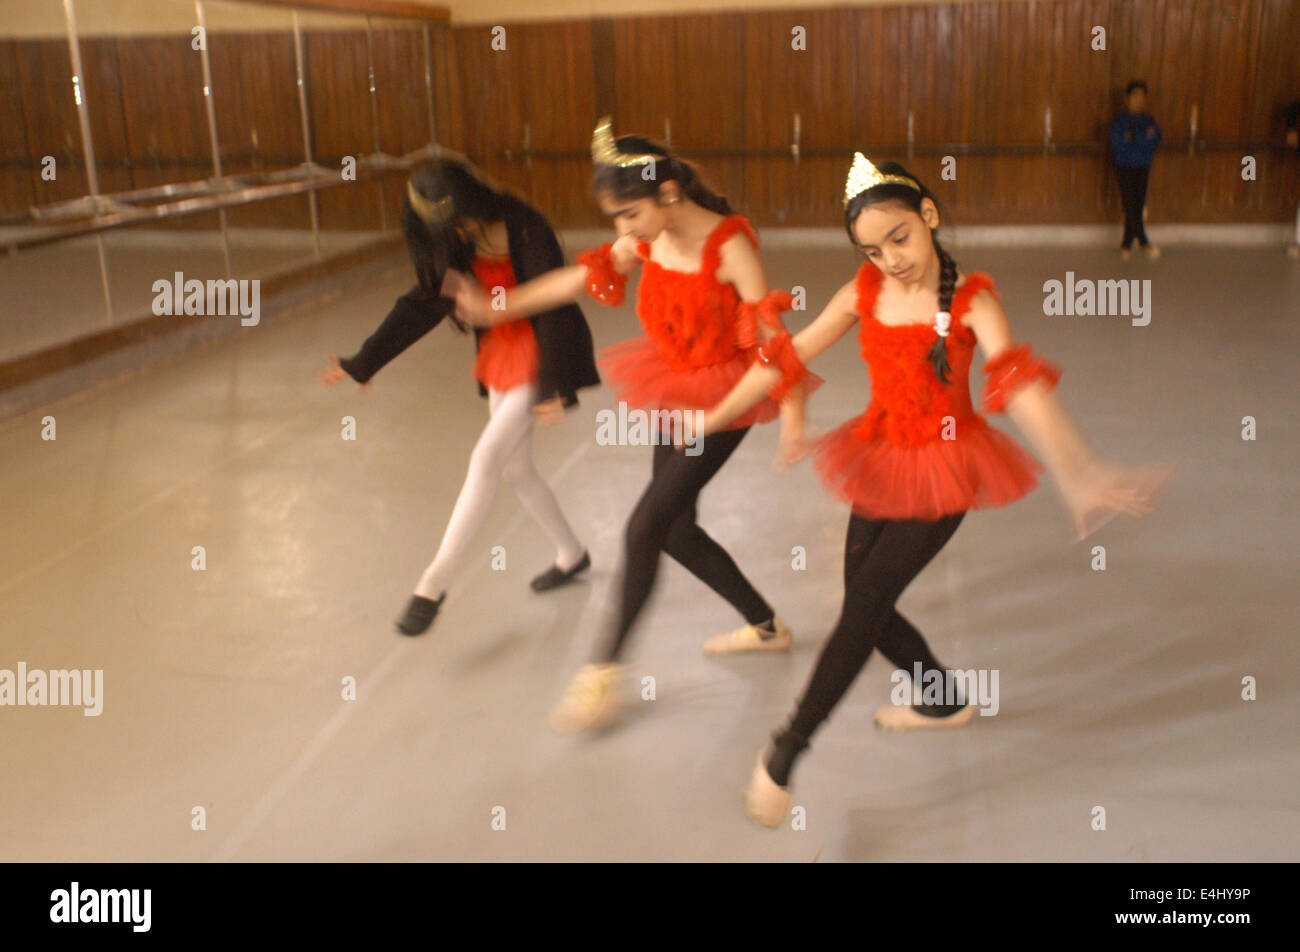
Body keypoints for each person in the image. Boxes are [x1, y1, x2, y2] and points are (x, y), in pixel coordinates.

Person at [688, 154, 1170, 827]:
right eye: (872, 248)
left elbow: (1019, 385)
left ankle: (786, 750)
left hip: (946, 469)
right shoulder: (864, 290)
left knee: (861, 608)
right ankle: (942, 698)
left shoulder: (973, 300)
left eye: (900, 238)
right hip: (881, 457)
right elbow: (789, 356)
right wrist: (711, 415)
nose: (891, 258)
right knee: (867, 597)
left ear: (930, 218)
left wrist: (1077, 469)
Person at [445, 118, 821, 733]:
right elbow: (578, 279)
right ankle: (766, 626)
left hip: (728, 396)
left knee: (644, 526)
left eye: (629, 215)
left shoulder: (729, 248)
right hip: (676, 388)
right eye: (616, 218)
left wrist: (793, 419)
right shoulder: (647, 238)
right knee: (675, 530)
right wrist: (501, 306)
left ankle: (601, 675)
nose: (622, 231)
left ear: (667, 194)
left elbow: (775, 345)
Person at [322, 157, 600, 635]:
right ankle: (572, 554)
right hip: (500, 351)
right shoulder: (455, 240)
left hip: (540, 351)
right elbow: (424, 302)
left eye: (464, 221)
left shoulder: (526, 226)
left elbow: (555, 304)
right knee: (516, 468)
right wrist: (365, 362)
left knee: (487, 458)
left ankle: (433, 583)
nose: (462, 232)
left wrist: (559, 384)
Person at [1110, 80, 1162, 260]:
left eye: (1142, 97)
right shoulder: (1119, 121)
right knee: (1130, 203)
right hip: (1124, 165)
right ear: (1127, 98)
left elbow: (1155, 140)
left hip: (1142, 165)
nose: (1139, 100)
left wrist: (1133, 138)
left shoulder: (1149, 121)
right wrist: (1141, 139)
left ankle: (1126, 243)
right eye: (1135, 96)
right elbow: (1118, 143)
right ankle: (1143, 240)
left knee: (1138, 204)